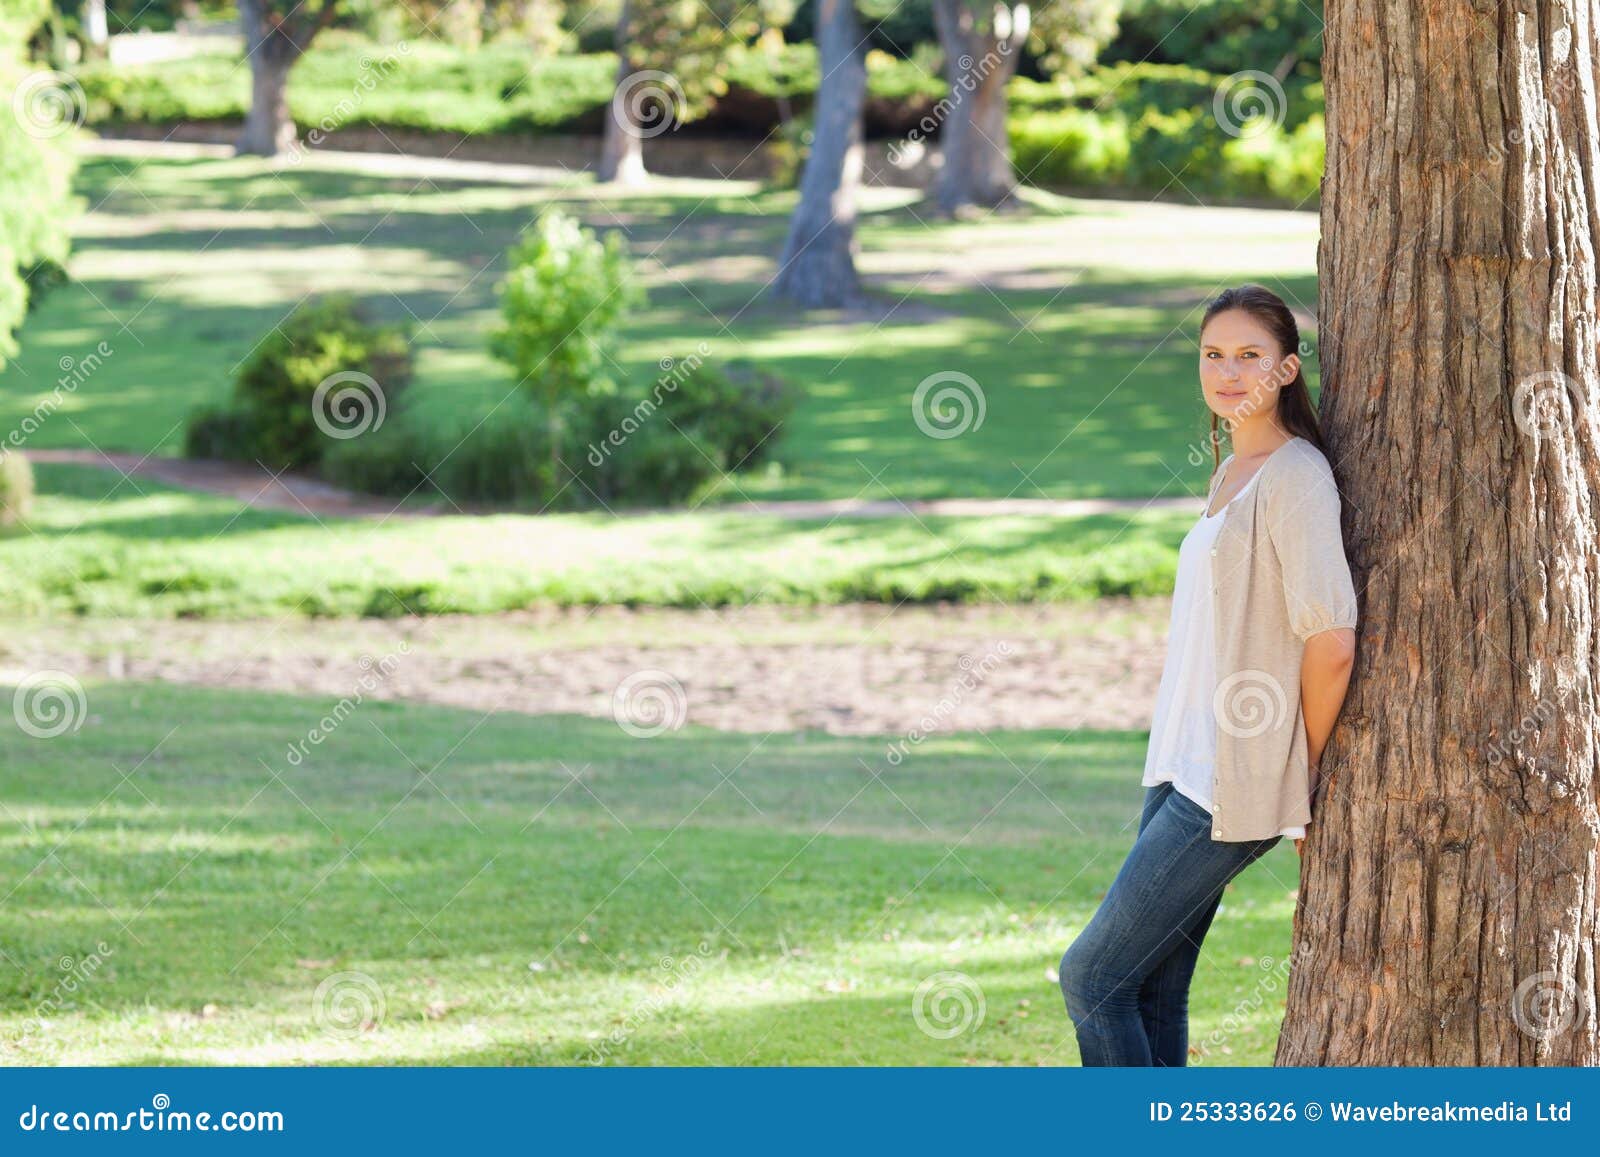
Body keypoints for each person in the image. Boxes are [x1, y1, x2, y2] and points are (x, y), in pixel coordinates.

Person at [1057, 284, 1359, 1066]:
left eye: (1250, 356)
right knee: (1151, 987)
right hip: (1178, 765)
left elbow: (1331, 639)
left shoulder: (1295, 475)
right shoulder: (1232, 468)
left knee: (1091, 976)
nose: (1228, 372)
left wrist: (1302, 766)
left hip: (1228, 782)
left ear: (1288, 369)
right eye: (1213, 354)